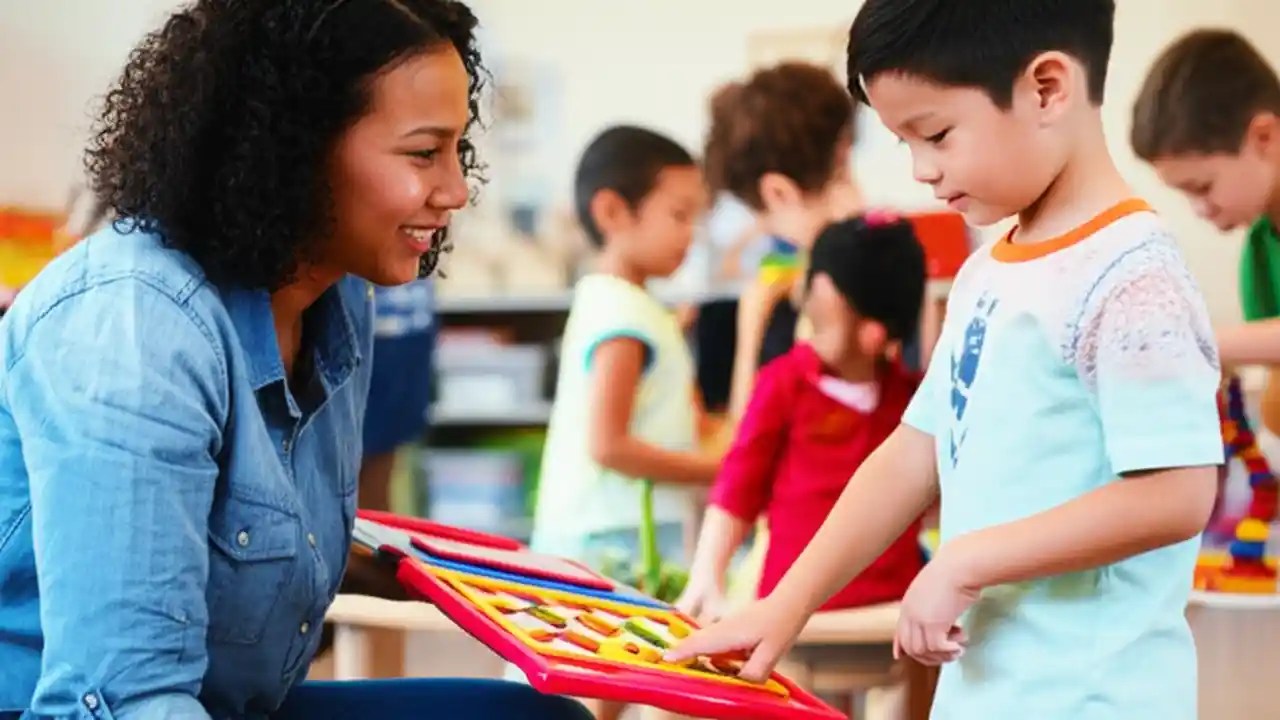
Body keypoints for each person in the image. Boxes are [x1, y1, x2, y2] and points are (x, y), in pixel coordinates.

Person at [0, 2, 592, 719]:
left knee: (536, 716)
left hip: (229, 702)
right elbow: (126, 699)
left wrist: (483, 581)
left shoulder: (337, 300)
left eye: (455, 149)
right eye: (421, 152)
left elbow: (266, 534)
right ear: (297, 150)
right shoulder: (136, 326)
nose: (457, 190)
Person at [669, 2, 1223, 719]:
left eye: (934, 134)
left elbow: (1175, 494)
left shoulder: (1132, 276)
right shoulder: (989, 270)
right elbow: (913, 453)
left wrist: (965, 561)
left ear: (1047, 89)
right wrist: (787, 603)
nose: (921, 172)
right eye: (903, 142)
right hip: (988, 690)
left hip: (1092, 697)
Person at [523, 125, 717, 720]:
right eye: (678, 215)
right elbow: (607, 444)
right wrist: (713, 470)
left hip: (619, 533)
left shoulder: (625, 302)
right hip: (604, 539)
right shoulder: (623, 313)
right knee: (597, 692)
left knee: (611, 689)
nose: (691, 235)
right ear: (613, 211)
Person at [676, 214, 927, 625]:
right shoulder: (785, 384)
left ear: (876, 334)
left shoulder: (911, 400)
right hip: (793, 614)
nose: (811, 331)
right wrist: (706, 575)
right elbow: (739, 486)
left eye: (826, 323)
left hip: (888, 614)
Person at [702, 65, 863, 422]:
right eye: (843, 169)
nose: (853, 189)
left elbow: (744, 437)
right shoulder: (771, 299)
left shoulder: (845, 273)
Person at [1130, 30, 1280, 398]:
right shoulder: (1260, 255)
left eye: (1202, 187)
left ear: (1263, 137)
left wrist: (1201, 344)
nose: (1199, 210)